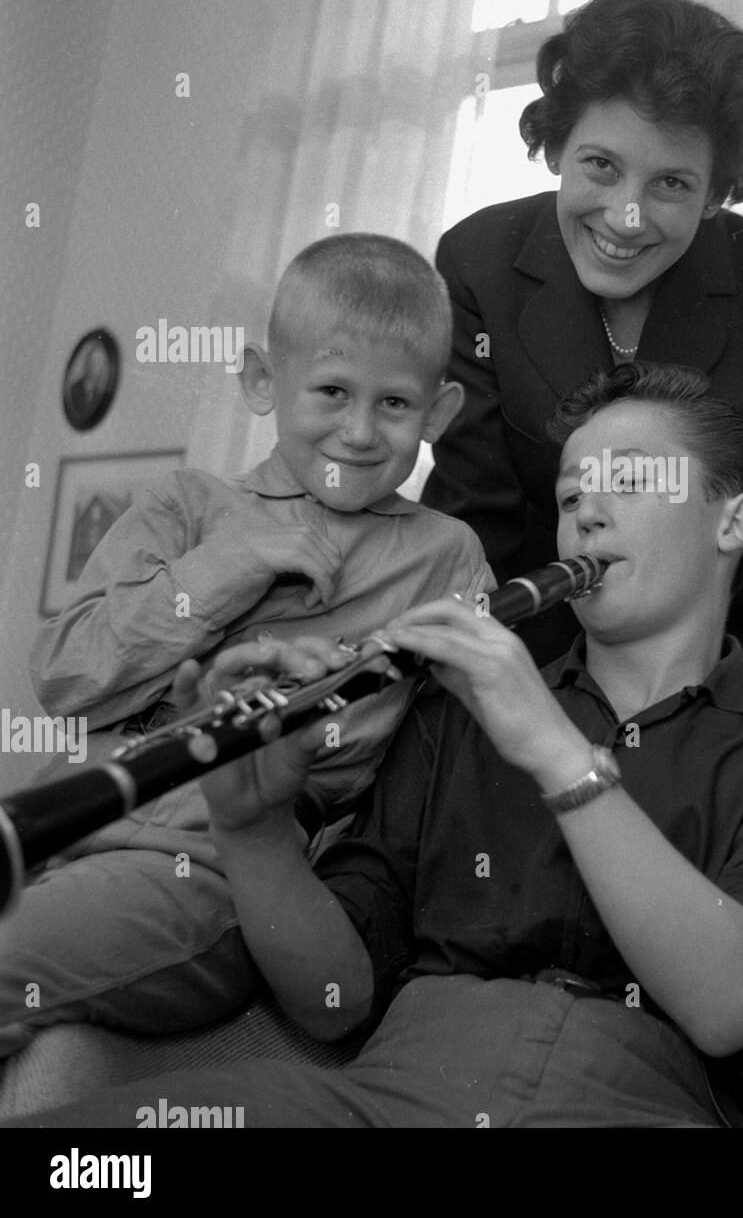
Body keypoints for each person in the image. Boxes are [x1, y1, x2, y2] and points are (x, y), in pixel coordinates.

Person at [7, 363, 743, 1128]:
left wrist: (556, 753)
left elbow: (729, 1007)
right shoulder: (454, 715)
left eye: (630, 482)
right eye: (570, 498)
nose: (587, 517)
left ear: (737, 524)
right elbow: (333, 1003)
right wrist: (255, 826)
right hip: (391, 1092)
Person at [1, 234, 493, 1055]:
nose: (361, 432)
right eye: (332, 390)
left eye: (396, 404)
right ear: (264, 383)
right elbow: (66, 677)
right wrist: (230, 564)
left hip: (205, 868)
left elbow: (400, 757)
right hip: (62, 820)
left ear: (438, 414)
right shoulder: (186, 505)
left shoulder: (447, 556)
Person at [422, 0, 743, 718]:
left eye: (670, 183)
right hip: (533, 679)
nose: (626, 217)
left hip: (738, 698)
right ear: (555, 149)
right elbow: (477, 533)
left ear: (715, 194)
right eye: (601, 166)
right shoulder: (477, 262)